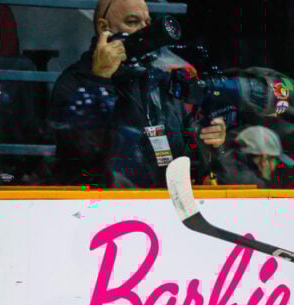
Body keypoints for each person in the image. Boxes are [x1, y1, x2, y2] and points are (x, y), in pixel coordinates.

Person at [48, 0, 226, 188]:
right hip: (99, 207)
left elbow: (187, 160)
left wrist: (211, 144)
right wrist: (100, 80)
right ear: (104, 28)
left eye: (147, 23)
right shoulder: (75, 81)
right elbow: (83, 152)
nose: (145, 31)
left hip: (158, 206)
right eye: (132, 22)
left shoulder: (160, 82)